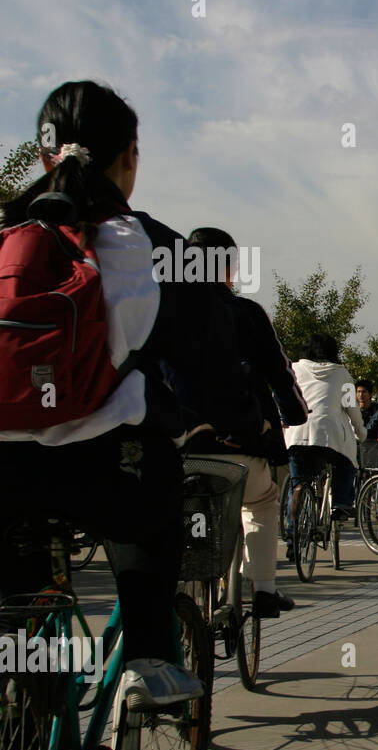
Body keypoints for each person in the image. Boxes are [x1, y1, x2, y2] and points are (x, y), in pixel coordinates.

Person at [0, 81, 262, 708]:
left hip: (5, 464)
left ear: (44, 160)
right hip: (105, 465)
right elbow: (213, 370)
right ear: (129, 158)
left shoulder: (7, 236)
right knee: (153, 502)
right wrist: (242, 423)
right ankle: (149, 658)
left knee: (23, 618)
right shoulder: (155, 249)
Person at [182, 227, 307, 617]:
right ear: (230, 267)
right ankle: (264, 588)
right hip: (241, 447)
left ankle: (183, 590)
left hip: (183, 446)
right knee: (262, 503)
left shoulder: (167, 312)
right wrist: (294, 415)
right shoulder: (248, 313)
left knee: (187, 508)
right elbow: (279, 373)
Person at [284, 333, 364, 528]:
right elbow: (351, 408)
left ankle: (292, 536)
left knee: (297, 483)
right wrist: (360, 432)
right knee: (345, 465)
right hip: (331, 438)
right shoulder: (342, 374)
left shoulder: (294, 369)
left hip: (297, 434)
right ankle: (340, 503)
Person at [355, 379, 378, 468]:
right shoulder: (353, 410)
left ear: (370, 394)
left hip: (373, 446)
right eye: (358, 392)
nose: (361, 395)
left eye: (364, 392)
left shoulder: (377, 409)